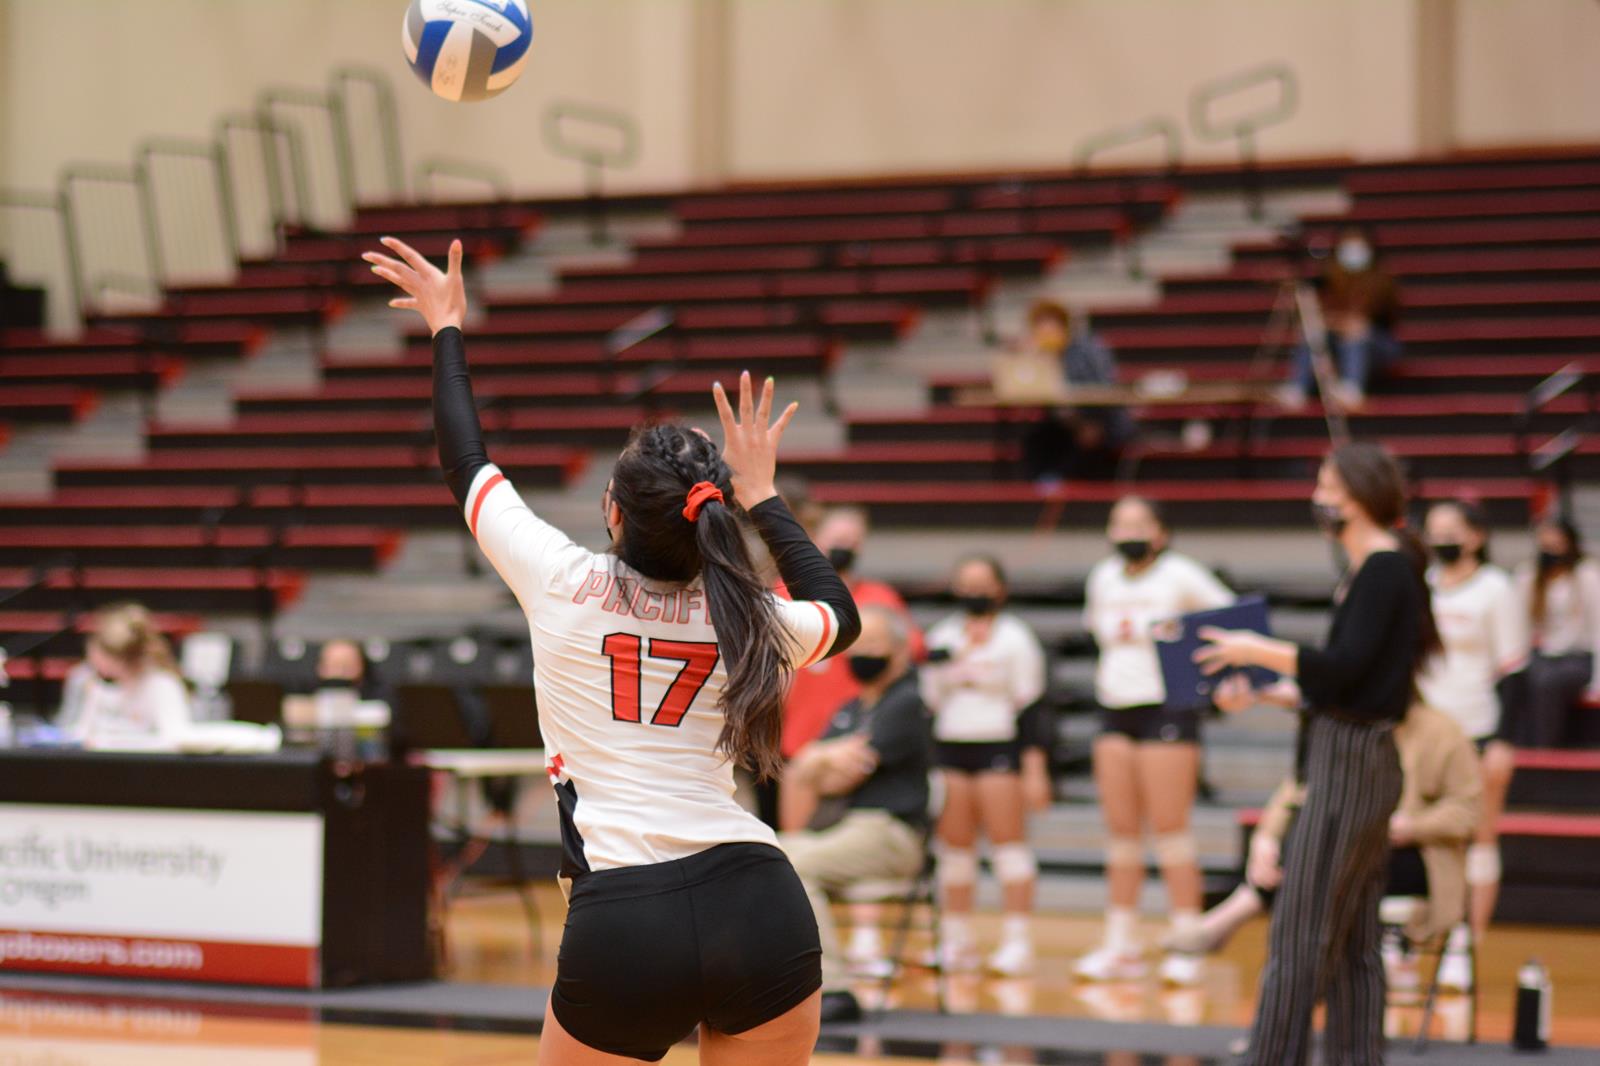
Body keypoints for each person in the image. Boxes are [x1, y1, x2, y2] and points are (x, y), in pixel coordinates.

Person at [365, 236, 861, 1066]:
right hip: (760, 902)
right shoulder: (748, 613)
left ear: (614, 513)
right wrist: (766, 495)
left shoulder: (556, 578)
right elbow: (839, 614)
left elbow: (465, 460)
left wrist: (447, 326)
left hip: (627, 918)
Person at [1195, 442, 1440, 1066]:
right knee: (1356, 940)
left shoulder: (1383, 567)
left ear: (1356, 496)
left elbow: (1349, 667)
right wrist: (1268, 696)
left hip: (1352, 763)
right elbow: (1345, 683)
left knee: (1300, 931)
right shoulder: (1375, 568)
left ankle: (1270, 1058)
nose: (1318, 497)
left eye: (1327, 485)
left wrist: (1258, 649)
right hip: (1356, 751)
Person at [1172, 702, 1481, 995]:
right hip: (1342, 853)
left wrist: (1413, 826)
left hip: (1414, 856)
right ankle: (1283, 1015)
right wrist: (1264, 839)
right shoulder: (1344, 725)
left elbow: (1468, 810)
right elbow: (1296, 789)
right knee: (1311, 852)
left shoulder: (1442, 732)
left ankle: (1243, 909)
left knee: (1315, 865)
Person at [1076, 496, 1235, 986]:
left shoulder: (1181, 575)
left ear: (1161, 533)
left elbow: (1232, 619)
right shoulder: (1102, 577)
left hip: (1167, 708)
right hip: (1114, 708)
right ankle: (1121, 945)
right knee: (1122, 837)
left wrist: (1192, 651)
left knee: (1171, 833)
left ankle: (1188, 941)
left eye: (1139, 523)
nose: (1128, 531)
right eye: (1119, 523)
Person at [780, 605, 932, 1023]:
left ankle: (835, 989)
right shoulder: (852, 707)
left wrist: (822, 762)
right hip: (846, 828)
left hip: (890, 834)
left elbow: (845, 774)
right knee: (752, 855)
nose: (862, 653)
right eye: (858, 645)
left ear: (900, 651)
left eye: (874, 645)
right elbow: (810, 771)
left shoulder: (906, 702)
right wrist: (826, 759)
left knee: (790, 865)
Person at [1417, 499, 1528, 990]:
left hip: (1478, 729)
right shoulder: (1421, 587)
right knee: (1423, 835)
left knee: (1478, 838)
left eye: (1451, 530)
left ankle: (1465, 943)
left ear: (1476, 536)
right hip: (1424, 733)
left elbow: (1514, 671)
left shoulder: (1495, 589)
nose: (1441, 538)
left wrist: (1505, 740)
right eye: (1433, 530)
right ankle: (1419, 938)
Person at [921, 555, 1049, 975]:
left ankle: (1017, 942)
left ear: (1000, 589)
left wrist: (1034, 767)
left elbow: (1030, 705)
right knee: (955, 851)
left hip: (1000, 748)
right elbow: (929, 699)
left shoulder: (1016, 638)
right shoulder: (942, 637)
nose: (974, 593)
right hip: (950, 748)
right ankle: (957, 941)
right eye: (966, 584)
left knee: (1009, 848)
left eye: (983, 584)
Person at [779, 506, 924, 819]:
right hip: (798, 737)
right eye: (837, 539)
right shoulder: (788, 595)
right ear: (815, 538)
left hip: (855, 739)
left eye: (852, 541)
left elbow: (911, 650)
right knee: (793, 840)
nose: (844, 548)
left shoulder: (879, 597)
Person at [1279, 225, 1402, 411]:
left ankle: (1352, 386)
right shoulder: (1329, 277)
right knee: (1313, 333)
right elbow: (1319, 314)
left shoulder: (1381, 281)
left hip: (1377, 344)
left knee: (1356, 334)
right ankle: (1297, 387)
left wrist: (1341, 322)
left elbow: (1364, 319)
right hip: (1336, 340)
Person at [1018, 299, 1132, 485]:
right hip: (1066, 422)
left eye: (1050, 325)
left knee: (1081, 441)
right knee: (1035, 438)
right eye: (1040, 327)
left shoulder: (1089, 350)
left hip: (1100, 421)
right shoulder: (1042, 354)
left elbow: (1106, 389)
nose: (1045, 332)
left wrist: (1091, 422)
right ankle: (1040, 488)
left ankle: (1060, 485)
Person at [1514, 516, 1600, 748]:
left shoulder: (1587, 575)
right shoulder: (1528, 576)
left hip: (1578, 658)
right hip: (1542, 656)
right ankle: (1518, 750)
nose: (1550, 551)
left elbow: (1597, 630)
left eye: (1556, 545)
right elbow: (1520, 626)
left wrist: (1597, 683)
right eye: (1545, 545)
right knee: (1520, 680)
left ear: (1570, 544)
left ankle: (1543, 751)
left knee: (1546, 682)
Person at [58, 603, 192, 749]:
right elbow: (81, 734)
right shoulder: (97, 685)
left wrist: (113, 743)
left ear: (117, 658)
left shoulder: (163, 686)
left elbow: (175, 741)